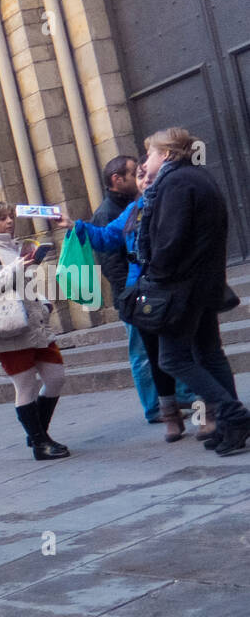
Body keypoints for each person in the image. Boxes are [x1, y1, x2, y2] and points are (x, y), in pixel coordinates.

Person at [136, 127, 249, 455]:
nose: (146, 161)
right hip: (202, 284)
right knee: (209, 354)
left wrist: (154, 276)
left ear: (167, 154)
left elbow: (170, 242)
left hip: (181, 289)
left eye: (150, 153)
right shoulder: (198, 177)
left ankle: (233, 414)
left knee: (172, 358)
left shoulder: (176, 183)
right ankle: (231, 424)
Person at [70, 160, 197, 442]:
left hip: (173, 288)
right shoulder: (132, 210)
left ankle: (207, 409)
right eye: (140, 176)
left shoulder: (171, 202)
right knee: (151, 355)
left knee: (183, 351)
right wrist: (75, 226)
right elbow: (106, 238)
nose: (144, 180)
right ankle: (168, 415)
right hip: (143, 294)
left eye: (149, 175)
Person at [0, 201, 70, 460]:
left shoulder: (16, 247)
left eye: (10, 217)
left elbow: (26, 285)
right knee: (26, 386)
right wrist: (16, 268)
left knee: (56, 376)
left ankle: (37, 433)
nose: (10, 222)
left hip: (35, 326)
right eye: (2, 218)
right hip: (9, 332)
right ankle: (40, 444)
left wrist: (45, 304)